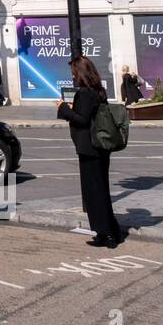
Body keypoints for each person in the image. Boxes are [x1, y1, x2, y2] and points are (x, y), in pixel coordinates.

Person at [58, 56, 124, 248]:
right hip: (99, 147)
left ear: (80, 73)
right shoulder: (97, 91)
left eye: (73, 73)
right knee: (101, 190)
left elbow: (82, 119)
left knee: (94, 192)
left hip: (90, 147)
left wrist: (63, 108)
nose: (72, 77)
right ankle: (111, 231)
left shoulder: (85, 93)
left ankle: (106, 234)